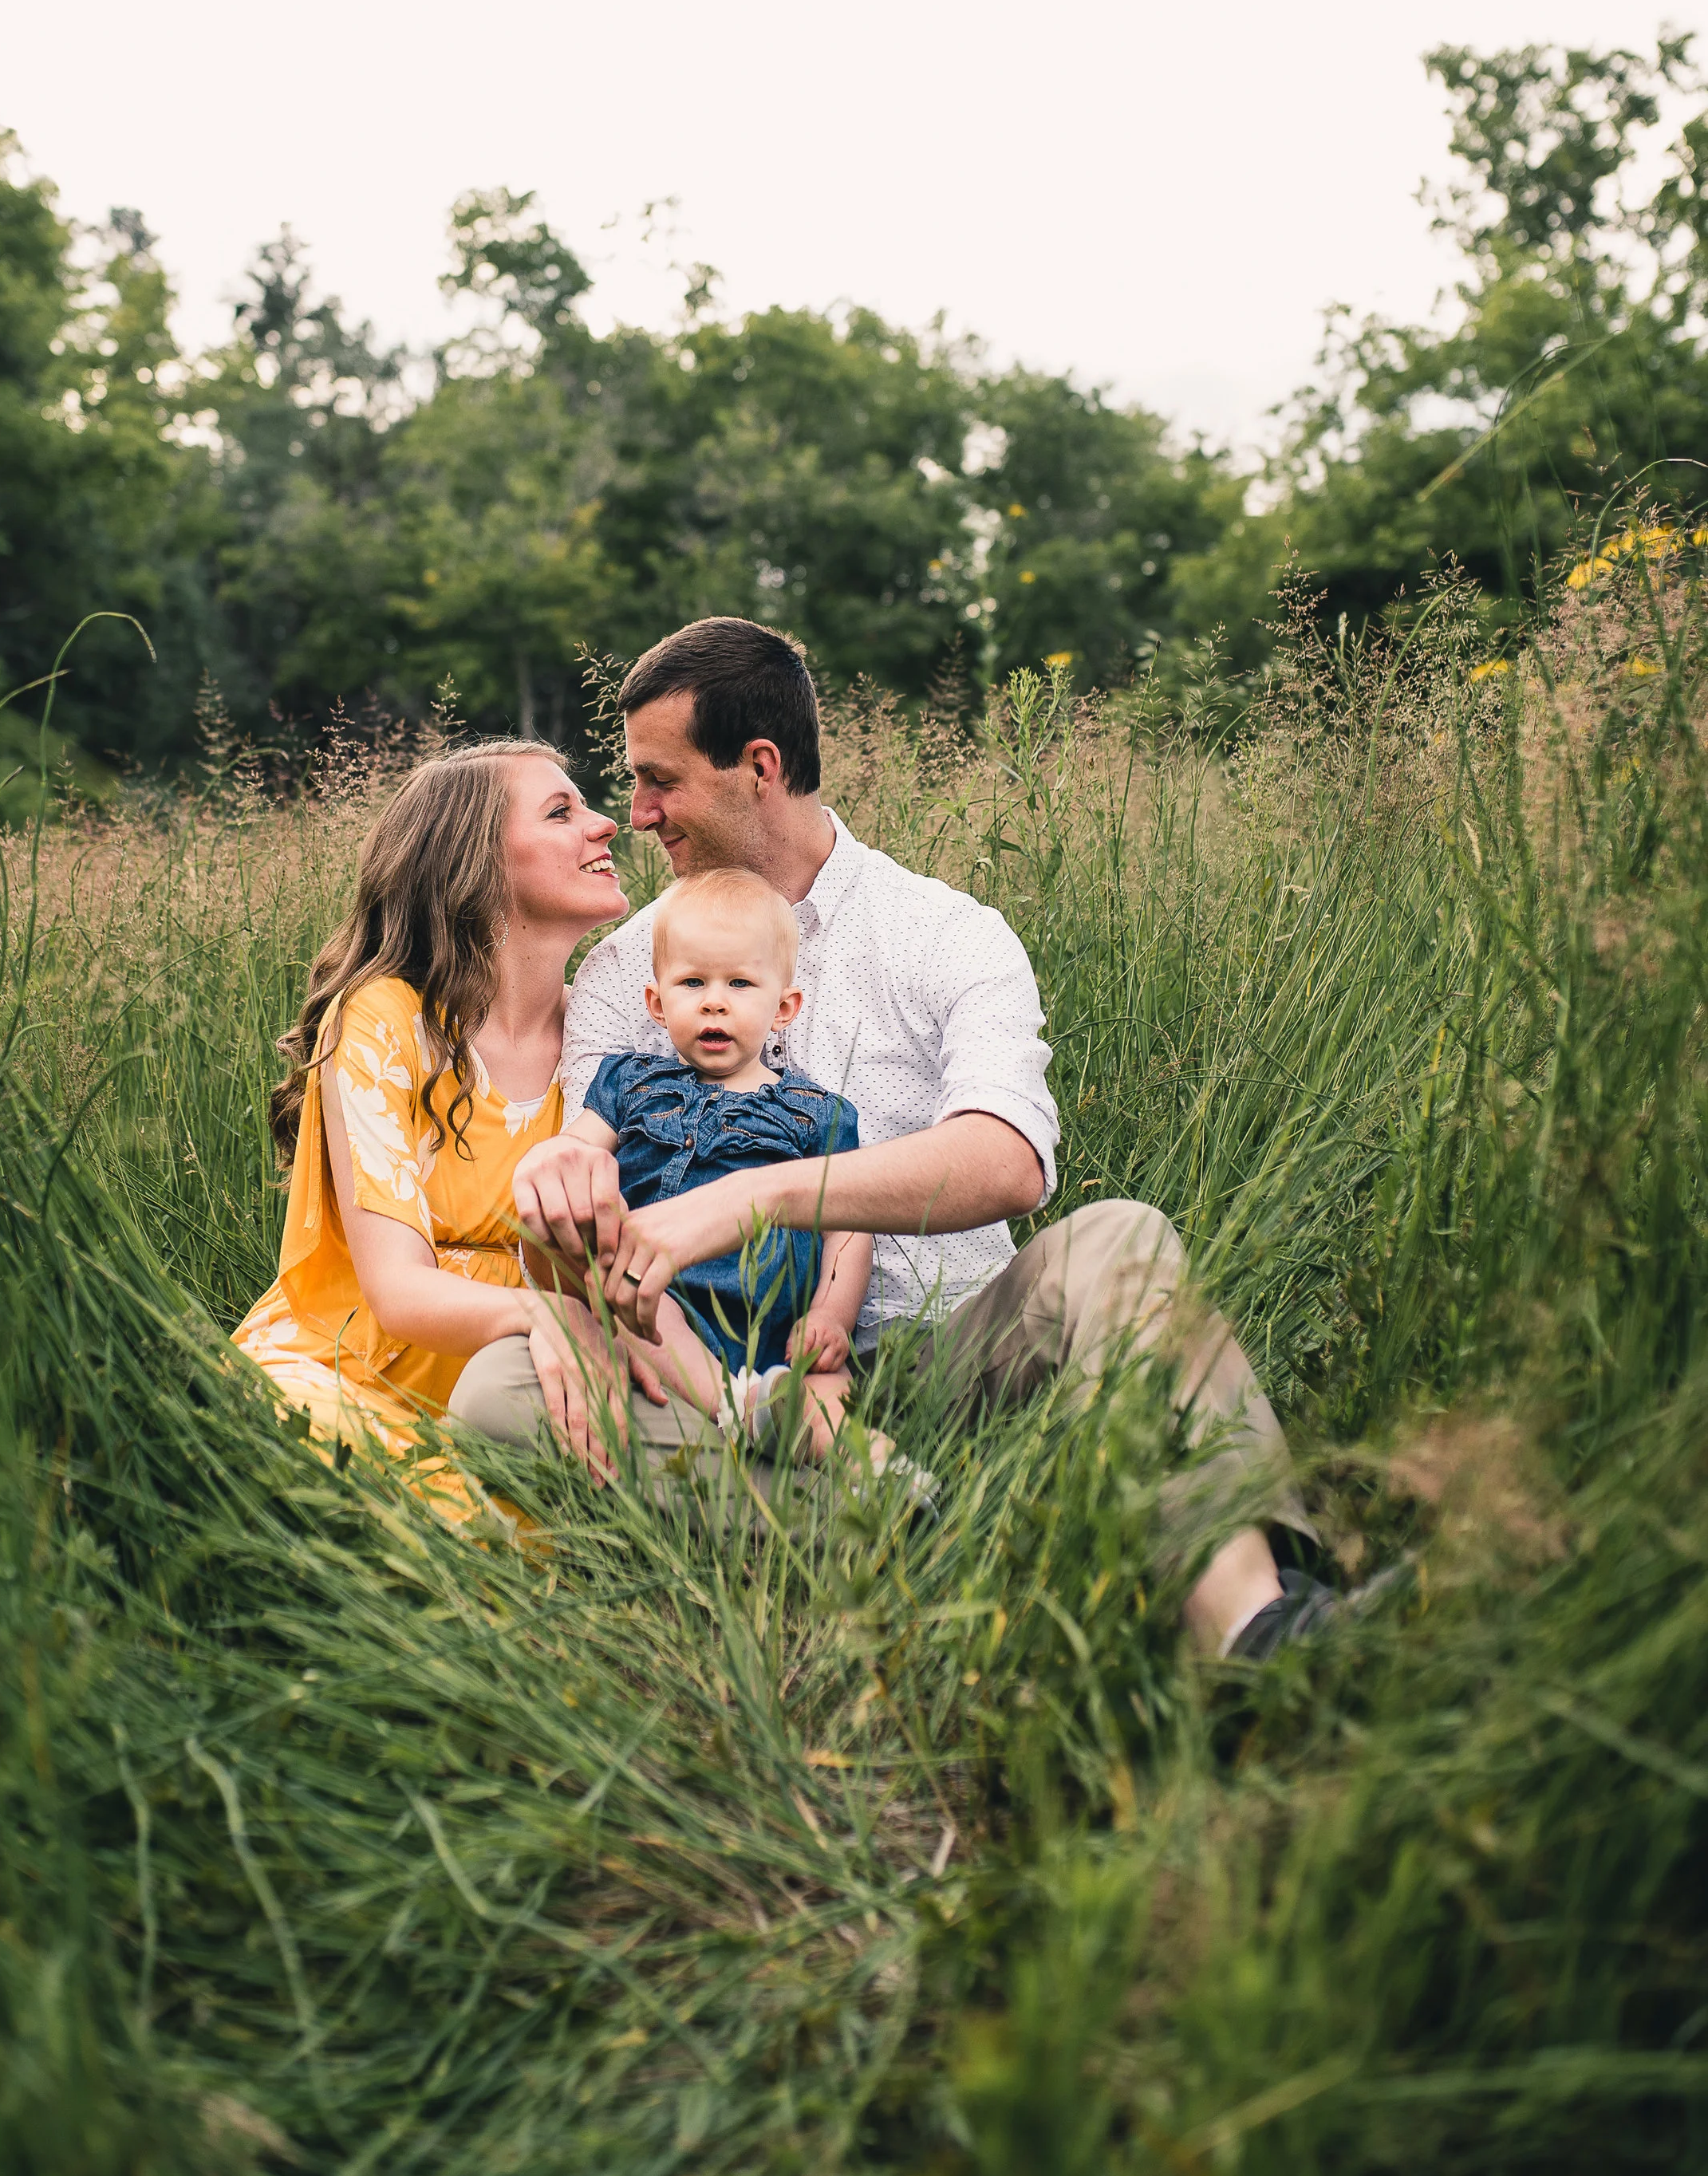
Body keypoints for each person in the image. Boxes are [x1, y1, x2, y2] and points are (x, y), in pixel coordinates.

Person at [450, 619, 1335, 1658]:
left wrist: (756, 1197)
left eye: (660, 780)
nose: (636, 814)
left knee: (1120, 1240)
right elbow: (571, 1226)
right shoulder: (628, 972)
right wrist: (566, 1209)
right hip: (732, 1393)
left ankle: (1254, 1629)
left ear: (759, 769)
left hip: (956, 1363)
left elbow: (1007, 1161)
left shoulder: (945, 933)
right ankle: (942, 1550)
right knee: (495, 1396)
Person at [231, 739, 680, 1501]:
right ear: (474, 863)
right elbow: (398, 1291)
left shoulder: (608, 1041)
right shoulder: (382, 1021)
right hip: (354, 1366)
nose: (606, 824)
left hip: (525, 1374)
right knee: (411, 1515)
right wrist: (555, 1316)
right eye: (561, 811)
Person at [566, 865, 878, 1466]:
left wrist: (831, 1315)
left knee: (828, 1386)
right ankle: (734, 1409)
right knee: (623, 1291)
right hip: (665, 1301)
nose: (714, 1000)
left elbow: (850, 1221)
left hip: (783, 1331)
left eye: (739, 983)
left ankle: (878, 1474)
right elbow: (575, 1152)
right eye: (691, 982)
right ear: (657, 1003)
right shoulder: (630, 1083)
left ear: (784, 1006)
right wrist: (567, 1171)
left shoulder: (817, 1112)